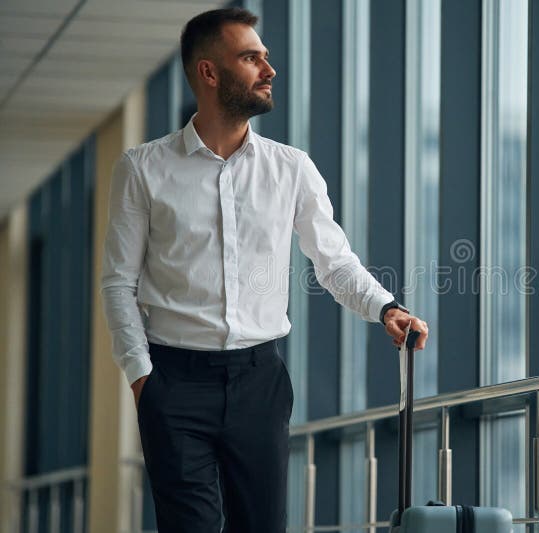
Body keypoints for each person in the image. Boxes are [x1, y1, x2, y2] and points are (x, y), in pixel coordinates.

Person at [100, 7, 428, 533]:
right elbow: (119, 282)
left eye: (266, 57)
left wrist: (385, 307)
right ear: (209, 72)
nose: (269, 70)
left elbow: (334, 261)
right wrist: (142, 377)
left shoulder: (291, 168)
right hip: (173, 383)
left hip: (259, 381)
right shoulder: (143, 168)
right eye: (251, 58)